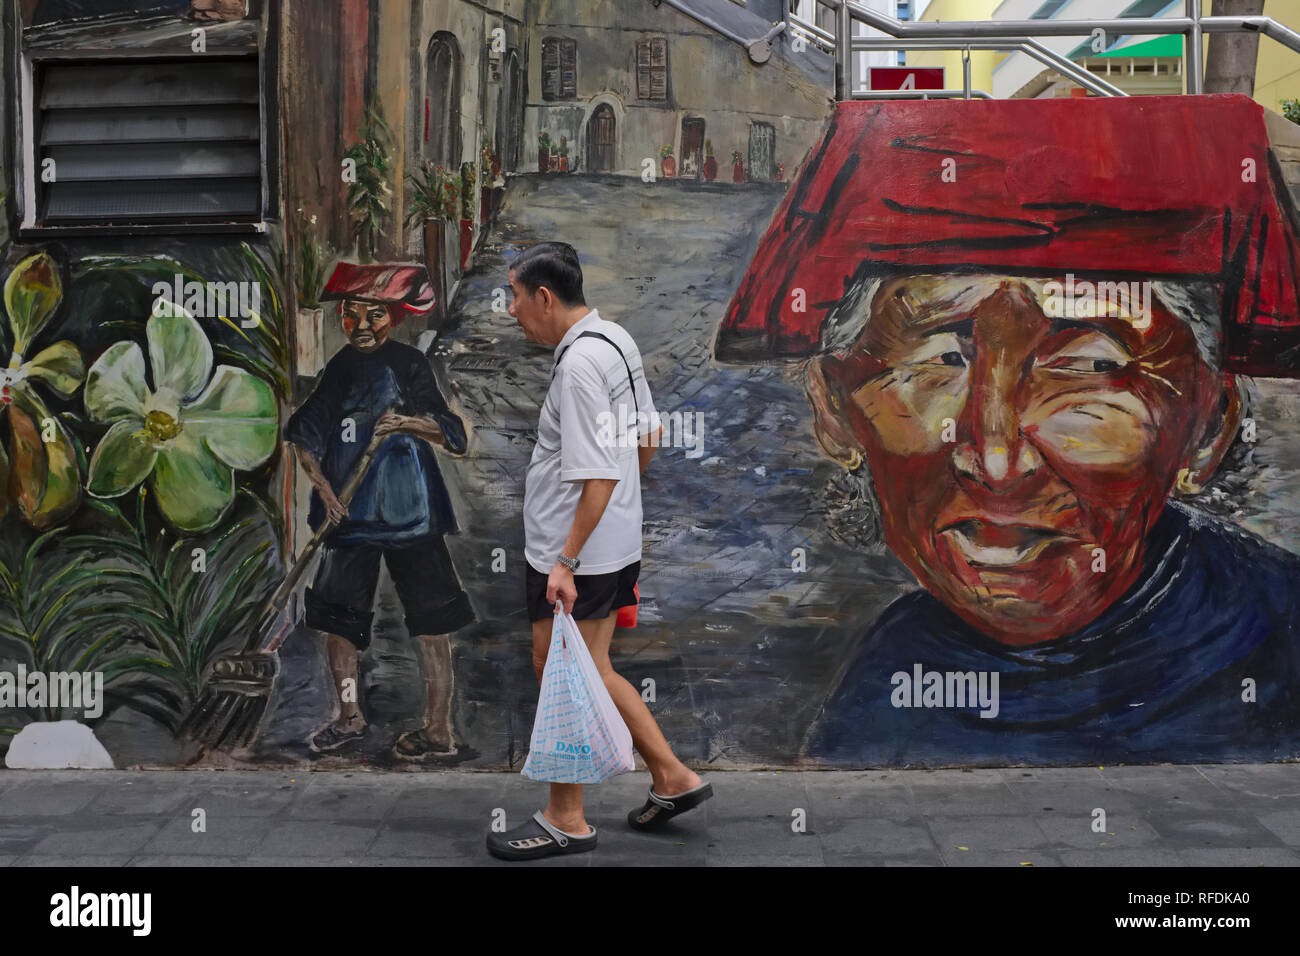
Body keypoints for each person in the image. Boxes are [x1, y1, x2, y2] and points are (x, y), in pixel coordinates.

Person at [714, 95, 1300, 765]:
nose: (995, 458)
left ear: (1210, 425)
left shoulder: (1285, 641)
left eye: (1090, 366)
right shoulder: (881, 687)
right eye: (940, 361)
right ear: (834, 409)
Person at [487, 241, 711, 860]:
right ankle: (672, 776)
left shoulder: (580, 366)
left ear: (545, 297)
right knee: (592, 667)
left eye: (514, 296)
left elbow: (600, 475)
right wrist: (611, 520)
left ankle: (568, 817)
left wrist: (567, 560)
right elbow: (647, 438)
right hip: (608, 545)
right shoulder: (614, 339)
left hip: (573, 552)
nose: (510, 310)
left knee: (562, 675)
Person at [285, 262, 477, 763]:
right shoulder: (340, 370)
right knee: (339, 627)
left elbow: (453, 435)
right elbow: (304, 438)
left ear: (392, 317)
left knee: (433, 624)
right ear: (342, 319)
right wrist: (325, 490)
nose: (364, 327)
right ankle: (349, 716)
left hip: (412, 516)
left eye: (375, 316)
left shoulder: (409, 366)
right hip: (349, 520)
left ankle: (437, 729)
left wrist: (408, 423)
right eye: (352, 316)